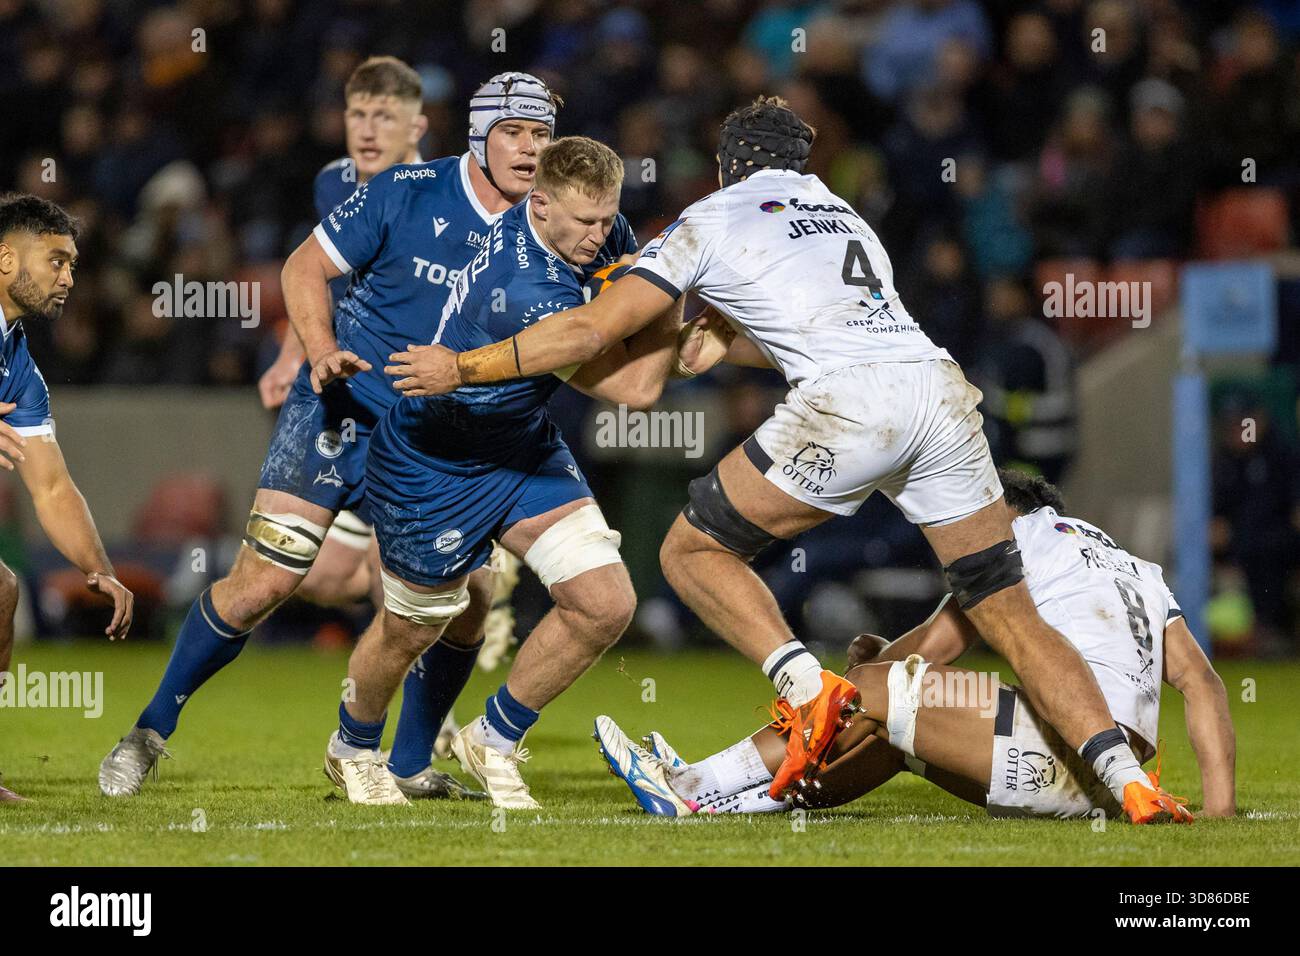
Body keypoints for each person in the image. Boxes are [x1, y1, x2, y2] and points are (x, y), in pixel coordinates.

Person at [385, 95, 1189, 821]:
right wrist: (704, 345)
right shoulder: (846, 216)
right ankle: (1128, 779)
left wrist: (461, 367)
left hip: (854, 403)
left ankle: (808, 689)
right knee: (1007, 610)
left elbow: (593, 331)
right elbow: (792, 334)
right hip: (939, 390)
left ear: (728, 164)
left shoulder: (713, 214)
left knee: (692, 551)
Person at [99, 72, 640, 801]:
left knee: (468, 603)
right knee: (265, 583)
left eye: (541, 134)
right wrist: (318, 350)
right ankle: (149, 731)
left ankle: (408, 764)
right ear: (479, 135)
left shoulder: (571, 219)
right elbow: (304, 266)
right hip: (345, 408)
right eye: (512, 132)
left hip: (451, 437)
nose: (528, 149)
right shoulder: (407, 191)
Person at [325, 136, 706, 806]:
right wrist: (672, 280)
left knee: (604, 603)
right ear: (541, 203)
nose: (599, 235)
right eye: (584, 221)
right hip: (433, 460)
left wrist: (675, 307)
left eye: (606, 218)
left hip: (521, 445)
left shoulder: (593, 229)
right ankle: (352, 747)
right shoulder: (525, 292)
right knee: (415, 626)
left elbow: (641, 332)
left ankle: (491, 737)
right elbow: (638, 387)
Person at [596, 470, 1231, 824]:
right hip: (1108, 781)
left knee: (865, 693)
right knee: (891, 734)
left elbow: (931, 648)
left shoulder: (1011, 538)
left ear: (1003, 508)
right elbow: (1203, 684)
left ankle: (691, 782)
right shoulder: (1136, 570)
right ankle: (720, 806)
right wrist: (1221, 809)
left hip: (1066, 743)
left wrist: (865, 672)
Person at [0, 194, 135, 801]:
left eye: (73, 265)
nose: (69, 279)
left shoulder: (17, 363)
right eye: (55, 261)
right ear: (6, 259)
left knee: (1, 591)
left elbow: (51, 486)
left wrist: (98, 569)